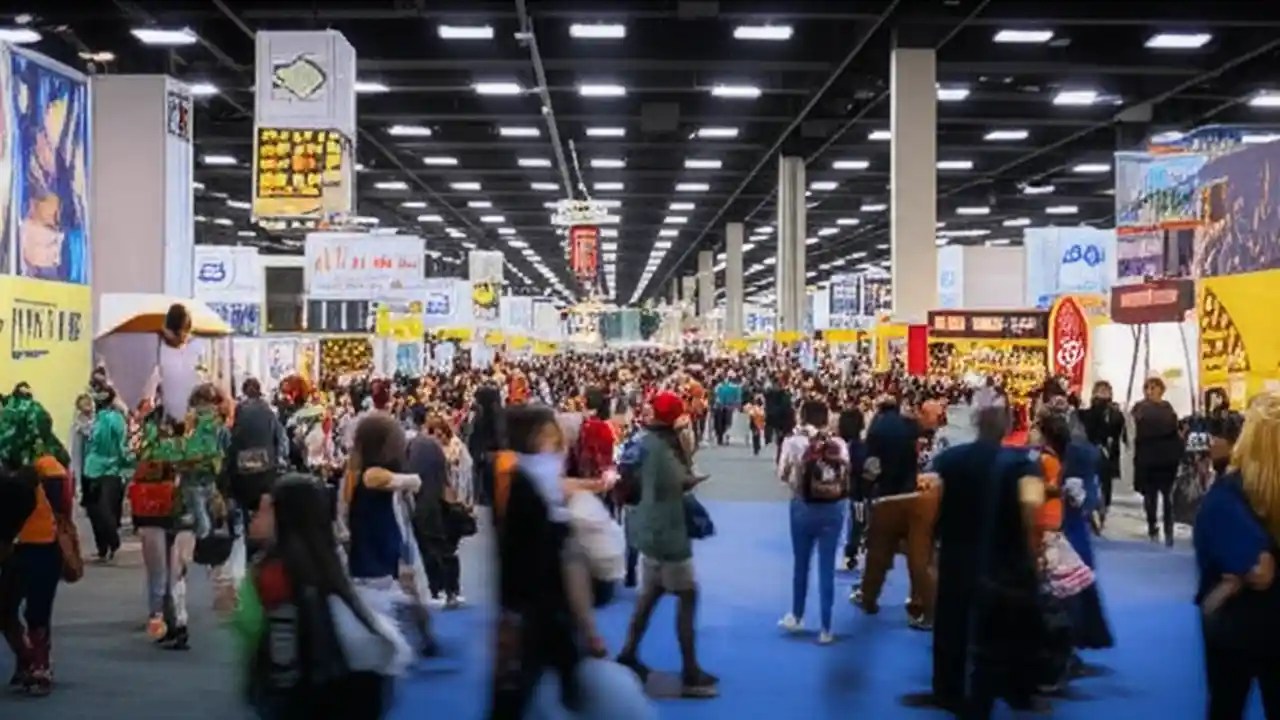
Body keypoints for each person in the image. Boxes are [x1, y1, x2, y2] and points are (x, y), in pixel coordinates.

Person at [232, 475, 411, 719]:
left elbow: (282, 647)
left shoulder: (276, 571)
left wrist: (275, 697)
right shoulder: (326, 560)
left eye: (265, 510)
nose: (254, 517)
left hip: (300, 696)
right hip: (339, 688)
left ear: (284, 516)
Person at [616, 391, 718, 698]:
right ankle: (690, 671)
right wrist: (694, 477)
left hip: (645, 527)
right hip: (669, 532)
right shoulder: (663, 447)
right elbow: (680, 481)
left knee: (650, 594)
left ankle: (629, 653)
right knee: (688, 595)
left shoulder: (640, 440)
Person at [490, 404, 583, 717]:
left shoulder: (525, 477)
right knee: (517, 690)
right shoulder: (522, 483)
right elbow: (521, 554)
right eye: (548, 433)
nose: (555, 439)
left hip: (537, 605)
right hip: (534, 605)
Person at [1193, 393, 1280, 719]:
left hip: (1235, 621)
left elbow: (1260, 570)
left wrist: (1230, 583)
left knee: (1226, 705)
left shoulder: (1228, 493)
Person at [0, 394, 75, 697]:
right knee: (4, 608)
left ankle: (39, 664)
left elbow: (61, 510)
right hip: (14, 547)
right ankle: (27, 658)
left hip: (41, 546)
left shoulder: (48, 465)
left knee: (36, 611)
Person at [777, 400, 849, 644]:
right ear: (827, 417)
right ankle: (826, 628)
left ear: (802, 416)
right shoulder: (838, 443)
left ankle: (797, 615)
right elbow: (846, 475)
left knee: (801, 563)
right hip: (833, 509)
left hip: (802, 507)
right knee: (827, 567)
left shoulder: (792, 441)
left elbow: (782, 475)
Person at [81, 386, 132, 562]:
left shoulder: (104, 420)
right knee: (104, 510)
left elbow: (113, 444)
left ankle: (109, 544)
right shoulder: (113, 419)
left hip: (100, 469)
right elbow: (122, 445)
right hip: (107, 469)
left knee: (99, 511)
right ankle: (107, 546)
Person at [1132, 377, 1183, 546]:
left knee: (1167, 497)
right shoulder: (1140, 408)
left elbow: (1174, 431)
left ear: (1161, 390)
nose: (1150, 391)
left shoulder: (1167, 408)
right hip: (1148, 459)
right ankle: (1152, 526)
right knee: (1150, 497)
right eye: (1147, 388)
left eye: (1153, 388)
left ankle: (1168, 530)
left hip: (1166, 459)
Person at [1077, 380, 1126, 519]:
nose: (1103, 394)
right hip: (1090, 450)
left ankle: (1103, 509)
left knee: (1105, 482)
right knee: (1090, 480)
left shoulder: (1114, 413)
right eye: (1100, 390)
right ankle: (1091, 509)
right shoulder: (1086, 413)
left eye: (1106, 391)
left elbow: (1118, 430)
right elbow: (1086, 428)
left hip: (1107, 453)